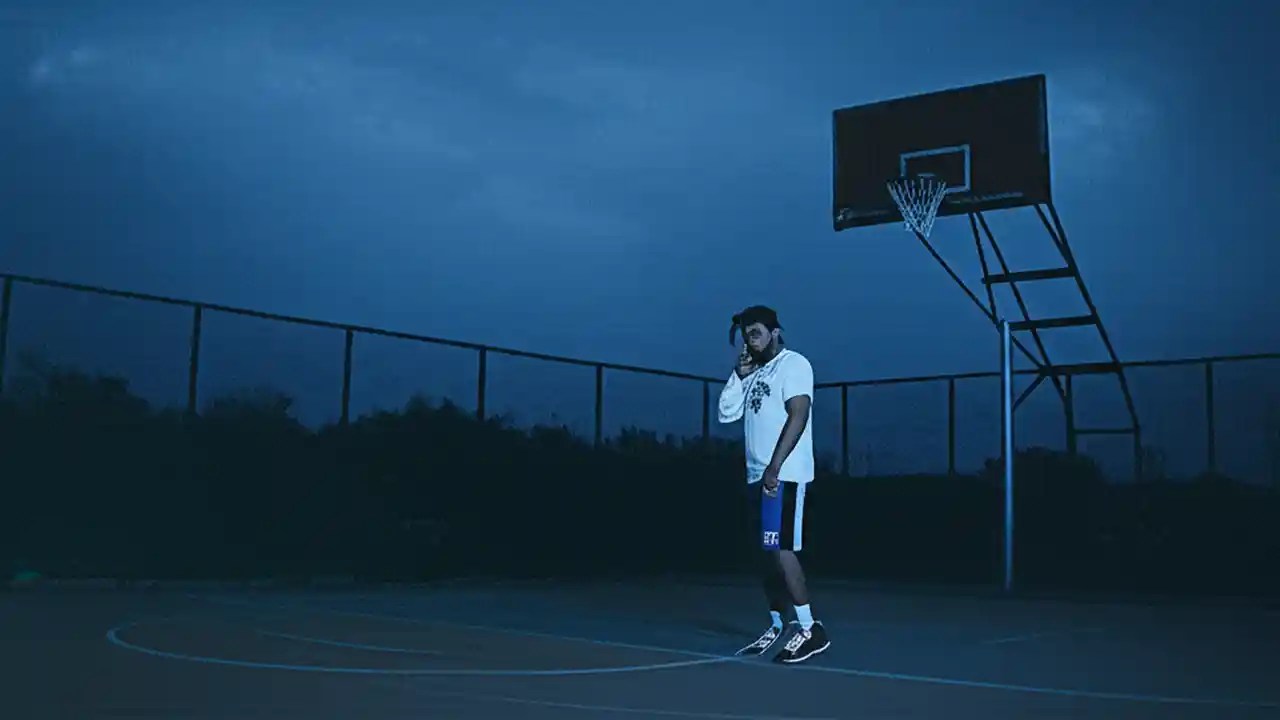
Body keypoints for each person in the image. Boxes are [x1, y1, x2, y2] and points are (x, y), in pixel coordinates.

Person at [718, 305, 830, 664]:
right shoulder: (754, 372)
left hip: (783, 475)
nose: (749, 342)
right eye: (745, 337)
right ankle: (778, 623)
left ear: (774, 332)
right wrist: (739, 374)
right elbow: (726, 413)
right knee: (765, 555)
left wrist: (775, 467)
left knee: (782, 550)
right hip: (757, 476)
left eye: (755, 334)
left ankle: (811, 629)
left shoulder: (794, 364)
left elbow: (799, 414)